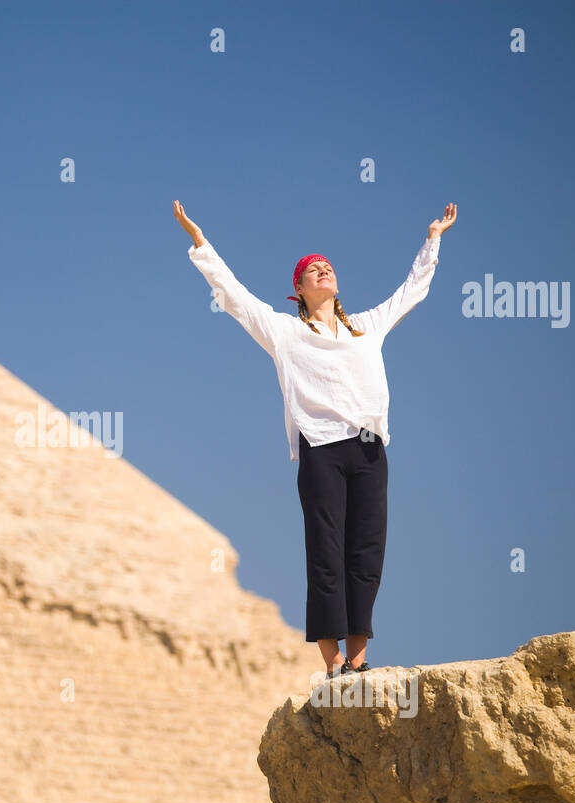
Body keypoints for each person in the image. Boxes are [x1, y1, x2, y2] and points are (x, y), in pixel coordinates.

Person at [174, 199, 457, 679]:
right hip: (321, 449)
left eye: (328, 267)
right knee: (327, 552)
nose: (323, 271)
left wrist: (433, 238)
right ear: (299, 291)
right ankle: (332, 664)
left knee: (367, 551)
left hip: (369, 448)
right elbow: (236, 298)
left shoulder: (366, 327)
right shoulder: (284, 333)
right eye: (313, 270)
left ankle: (360, 659)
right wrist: (200, 243)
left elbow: (413, 290)